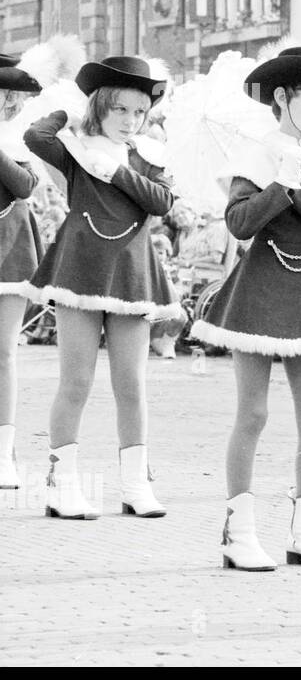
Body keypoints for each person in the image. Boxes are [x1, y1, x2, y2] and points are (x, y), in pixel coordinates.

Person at [191, 47, 301, 571]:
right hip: (262, 291)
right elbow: (240, 223)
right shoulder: (257, 152)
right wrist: (279, 184)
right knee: (254, 412)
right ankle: (239, 532)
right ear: (282, 97)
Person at [23, 56, 182, 520]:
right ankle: (61, 484)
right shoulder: (76, 148)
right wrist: (68, 118)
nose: (131, 122)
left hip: (132, 270)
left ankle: (135, 484)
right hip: (81, 270)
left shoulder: (147, 155)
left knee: (131, 383)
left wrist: (116, 172)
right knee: (76, 381)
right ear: (101, 107)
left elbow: (162, 203)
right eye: (121, 111)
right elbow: (36, 137)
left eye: (139, 112)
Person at [0, 45, 66, 488]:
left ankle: (3, 453)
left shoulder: (16, 137)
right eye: (6, 97)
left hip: (10, 246)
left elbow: (25, 186)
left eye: (13, 98)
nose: (11, 104)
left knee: (4, 352)